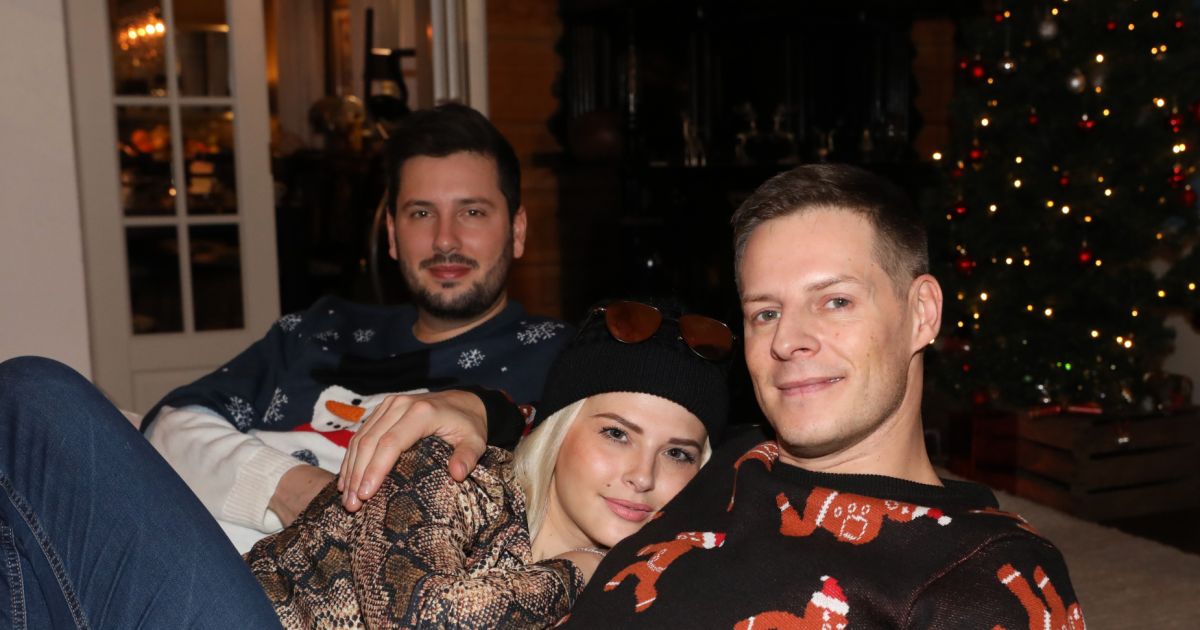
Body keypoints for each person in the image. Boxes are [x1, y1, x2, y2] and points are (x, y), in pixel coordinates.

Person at [346, 164, 1086, 628]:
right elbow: (609, 418)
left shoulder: (982, 573)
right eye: (765, 311)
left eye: (834, 302)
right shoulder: (728, 461)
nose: (788, 340)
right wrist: (485, 408)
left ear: (922, 313)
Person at [0, 299, 730, 628]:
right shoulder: (452, 475)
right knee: (38, 395)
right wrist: (575, 570)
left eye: (677, 454)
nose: (643, 474)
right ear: (556, 431)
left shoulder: (658, 580)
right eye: (615, 434)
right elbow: (423, 617)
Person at [142, 102, 572, 553]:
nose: (445, 239)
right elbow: (169, 429)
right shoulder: (317, 329)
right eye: (421, 214)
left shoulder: (557, 360)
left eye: (473, 212)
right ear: (391, 233)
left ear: (517, 230)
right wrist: (295, 490)